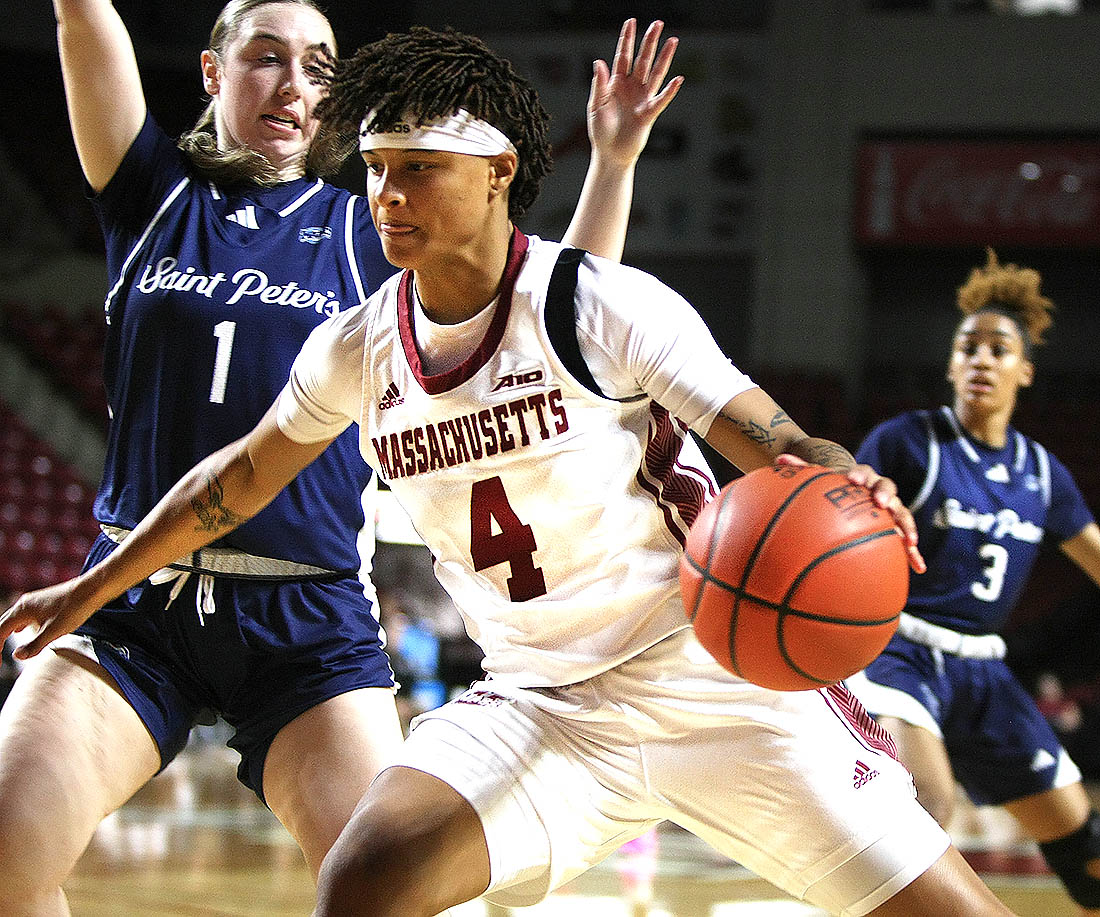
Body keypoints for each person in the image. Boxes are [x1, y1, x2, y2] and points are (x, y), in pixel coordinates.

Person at [0, 24, 1017, 917]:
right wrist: (91, 585)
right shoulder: (355, 347)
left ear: (494, 171)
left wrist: (851, 482)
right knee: (362, 880)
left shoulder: (604, 305)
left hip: (714, 680)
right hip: (539, 700)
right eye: (376, 168)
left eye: (418, 169)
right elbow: (232, 482)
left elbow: (782, 442)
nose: (387, 196)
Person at [0, 2, 682, 913]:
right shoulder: (150, 191)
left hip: (304, 614)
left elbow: (553, 320)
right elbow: (84, 22)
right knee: (6, 855)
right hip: (136, 600)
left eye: (318, 67)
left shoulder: (371, 231)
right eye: (267, 58)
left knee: (394, 892)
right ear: (213, 73)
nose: (293, 83)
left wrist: (616, 159)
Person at [846, 248, 1100, 915]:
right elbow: (845, 540)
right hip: (899, 650)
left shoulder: (1043, 475)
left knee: (1085, 841)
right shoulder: (909, 442)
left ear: (1025, 371)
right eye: (968, 347)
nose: (982, 359)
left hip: (985, 667)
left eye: (999, 348)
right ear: (953, 363)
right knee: (926, 806)